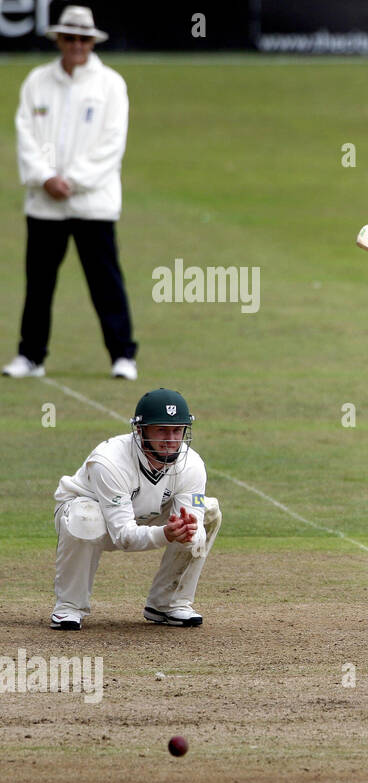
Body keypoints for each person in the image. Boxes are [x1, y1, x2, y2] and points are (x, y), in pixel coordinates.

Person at [5, 6, 137, 381]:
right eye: (70, 38)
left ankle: (122, 354)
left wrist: (72, 180)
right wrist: (46, 177)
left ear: (92, 41)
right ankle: (31, 356)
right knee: (39, 282)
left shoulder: (110, 84)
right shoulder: (37, 81)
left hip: (93, 202)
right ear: (58, 40)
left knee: (104, 280)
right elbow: (25, 134)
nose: (77, 45)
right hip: (45, 203)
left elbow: (113, 142)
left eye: (83, 39)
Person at [50, 388, 221, 630]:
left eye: (177, 430)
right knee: (86, 517)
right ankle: (69, 606)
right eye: (161, 429)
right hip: (89, 514)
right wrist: (166, 534)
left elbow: (190, 532)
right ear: (140, 431)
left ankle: (168, 603)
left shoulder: (192, 464)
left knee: (209, 512)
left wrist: (186, 532)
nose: (171, 439)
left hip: (147, 514)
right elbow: (123, 537)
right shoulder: (109, 462)